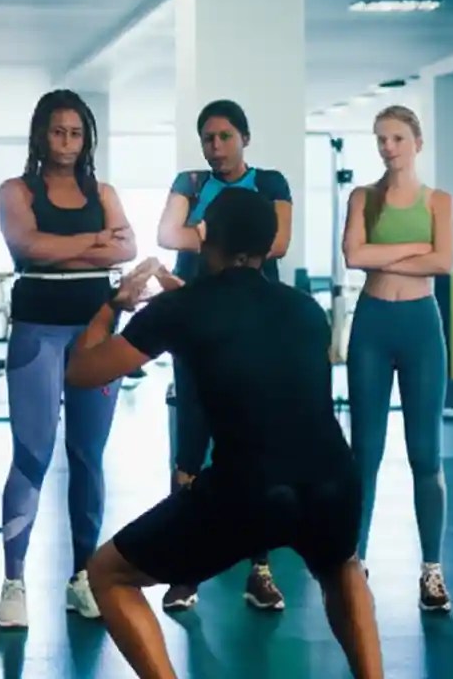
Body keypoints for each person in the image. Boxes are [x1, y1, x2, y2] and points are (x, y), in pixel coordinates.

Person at [69, 189, 382, 679]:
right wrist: (186, 304)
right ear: (267, 245)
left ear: (206, 237)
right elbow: (243, 331)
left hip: (250, 490)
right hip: (334, 481)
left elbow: (83, 371)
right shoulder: (305, 309)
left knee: (108, 573)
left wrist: (114, 305)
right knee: (342, 567)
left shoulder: (184, 309)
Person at [0, 89, 136, 628]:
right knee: (31, 455)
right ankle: (14, 582)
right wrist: (95, 240)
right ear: (41, 134)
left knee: (87, 456)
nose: (67, 143)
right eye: (58, 132)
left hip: (96, 332)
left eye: (76, 134)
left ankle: (82, 577)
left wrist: (64, 247)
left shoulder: (103, 192)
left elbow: (126, 249)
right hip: (38, 332)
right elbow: (26, 247)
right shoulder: (16, 191)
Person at [153, 99, 292, 612]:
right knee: (190, 447)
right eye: (208, 138)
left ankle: (260, 570)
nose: (216, 147)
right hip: (197, 325)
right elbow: (166, 235)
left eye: (225, 136)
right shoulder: (190, 182)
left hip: (254, 327)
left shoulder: (269, 182)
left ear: (244, 138)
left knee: (254, 448)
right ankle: (185, 570)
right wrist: (234, 236)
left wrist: (202, 232)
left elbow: (278, 243)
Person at [340, 105, 453, 612]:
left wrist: (382, 253)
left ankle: (432, 570)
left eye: (398, 138)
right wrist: (414, 247)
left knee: (425, 454)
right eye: (381, 139)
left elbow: (443, 261)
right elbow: (353, 256)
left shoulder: (440, 202)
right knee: (365, 452)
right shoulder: (361, 198)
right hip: (372, 325)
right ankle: (355, 562)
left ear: (417, 143)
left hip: (420, 327)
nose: (388, 147)